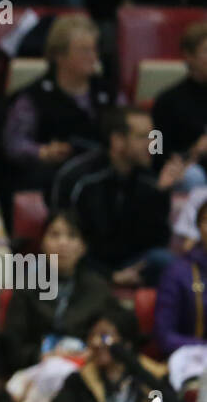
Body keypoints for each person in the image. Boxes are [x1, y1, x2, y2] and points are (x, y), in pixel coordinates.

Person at [70, 107, 182, 287]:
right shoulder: (82, 180)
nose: (152, 143)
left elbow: (157, 242)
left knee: (166, 262)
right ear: (117, 141)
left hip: (130, 264)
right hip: (86, 264)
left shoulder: (149, 180)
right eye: (143, 136)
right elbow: (68, 241)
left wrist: (159, 196)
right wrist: (110, 276)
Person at [3, 15, 112, 196]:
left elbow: (125, 126)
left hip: (102, 173)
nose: (93, 57)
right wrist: (43, 152)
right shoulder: (33, 97)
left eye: (94, 49)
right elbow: (14, 143)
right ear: (59, 56)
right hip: (53, 177)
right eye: (84, 51)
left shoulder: (108, 92)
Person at [0, 209, 115, 373]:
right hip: (37, 369)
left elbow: (115, 330)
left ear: (83, 247)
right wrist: (40, 356)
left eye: (72, 236)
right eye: (54, 235)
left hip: (87, 368)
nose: (63, 243)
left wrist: (94, 350)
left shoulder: (98, 288)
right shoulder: (26, 286)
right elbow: (12, 345)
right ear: (43, 243)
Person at [51, 303, 177, 402]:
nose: (95, 342)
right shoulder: (79, 381)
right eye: (92, 336)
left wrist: (136, 368)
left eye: (104, 336)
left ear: (127, 343)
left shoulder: (151, 379)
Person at [152, 21, 207, 194]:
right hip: (188, 169)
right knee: (194, 176)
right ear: (189, 56)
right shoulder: (167, 101)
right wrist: (190, 153)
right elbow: (156, 149)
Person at [155, 199, 207, 357]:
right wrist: (203, 346)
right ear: (200, 227)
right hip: (194, 364)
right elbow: (164, 337)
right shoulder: (178, 272)